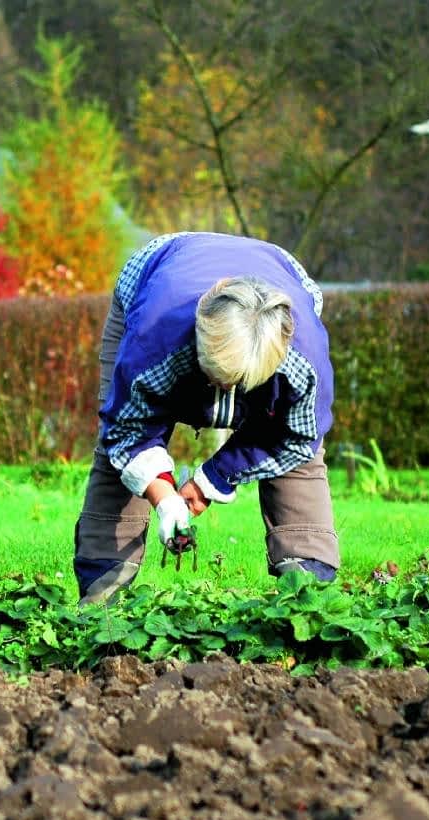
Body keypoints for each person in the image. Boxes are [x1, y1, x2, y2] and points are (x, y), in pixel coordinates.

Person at [73, 231, 339, 604]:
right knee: (115, 448)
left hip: (276, 273)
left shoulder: (304, 357)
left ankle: (309, 591)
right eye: (215, 377)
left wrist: (213, 480)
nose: (224, 389)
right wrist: (165, 498)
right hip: (159, 274)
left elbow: (295, 437)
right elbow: (128, 429)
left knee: (300, 462)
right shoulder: (154, 334)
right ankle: (101, 591)